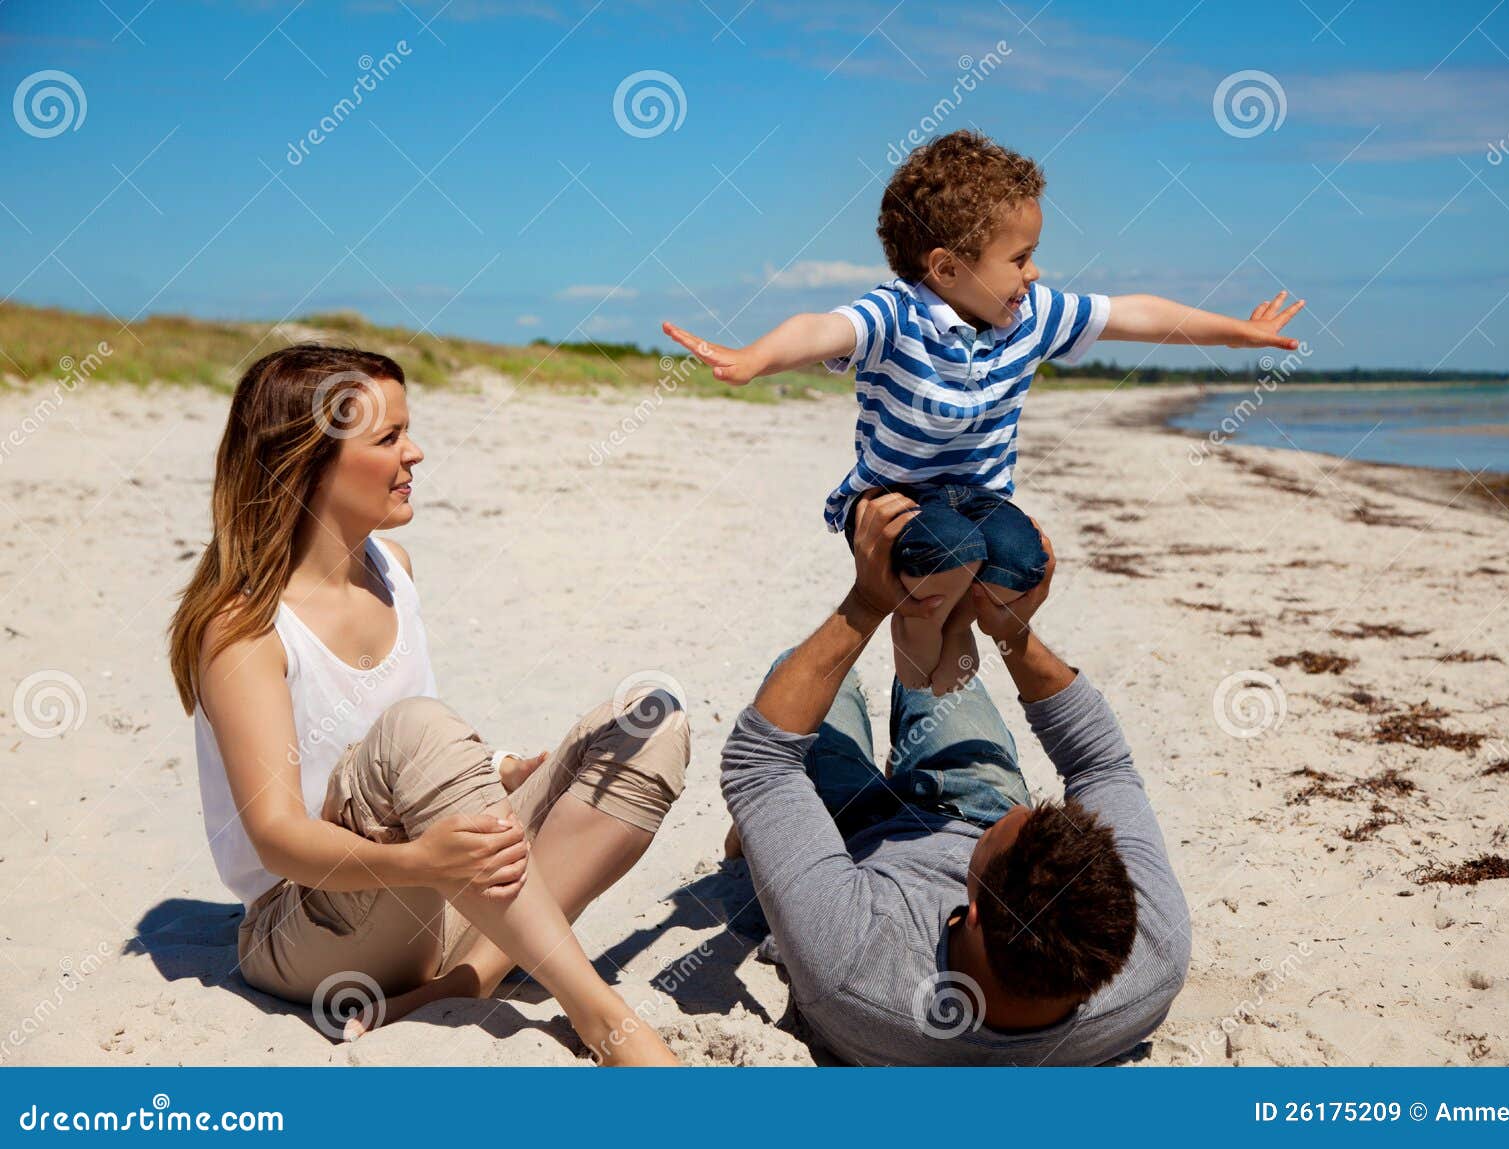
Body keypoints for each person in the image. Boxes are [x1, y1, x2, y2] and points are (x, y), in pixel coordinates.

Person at [167, 343, 687, 1064]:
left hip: (422, 892)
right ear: (306, 465)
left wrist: (498, 769)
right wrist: (420, 861)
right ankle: (604, 1019)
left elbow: (397, 736)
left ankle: (474, 976)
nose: (415, 453)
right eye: (388, 438)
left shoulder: (395, 571)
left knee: (650, 720)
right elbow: (278, 837)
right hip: (303, 924)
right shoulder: (247, 628)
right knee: (418, 733)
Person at [664, 129, 1304, 695]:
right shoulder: (897, 313)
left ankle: (943, 634)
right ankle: (917, 651)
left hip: (979, 494)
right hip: (895, 499)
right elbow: (819, 330)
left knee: (1021, 561)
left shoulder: (1034, 315)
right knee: (950, 547)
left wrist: (1232, 334)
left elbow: (1137, 313)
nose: (1035, 271)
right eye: (1019, 258)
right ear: (945, 268)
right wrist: (753, 359)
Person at [720, 491, 1190, 1065]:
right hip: (970, 808)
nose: (1027, 809)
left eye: (1018, 827)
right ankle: (930, 644)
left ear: (969, 914)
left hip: (847, 847)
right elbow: (1101, 764)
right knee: (942, 682)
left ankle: (761, 836)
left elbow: (760, 763)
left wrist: (865, 604)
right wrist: (1012, 633)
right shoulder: (1149, 953)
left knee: (812, 679)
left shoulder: (854, 969)